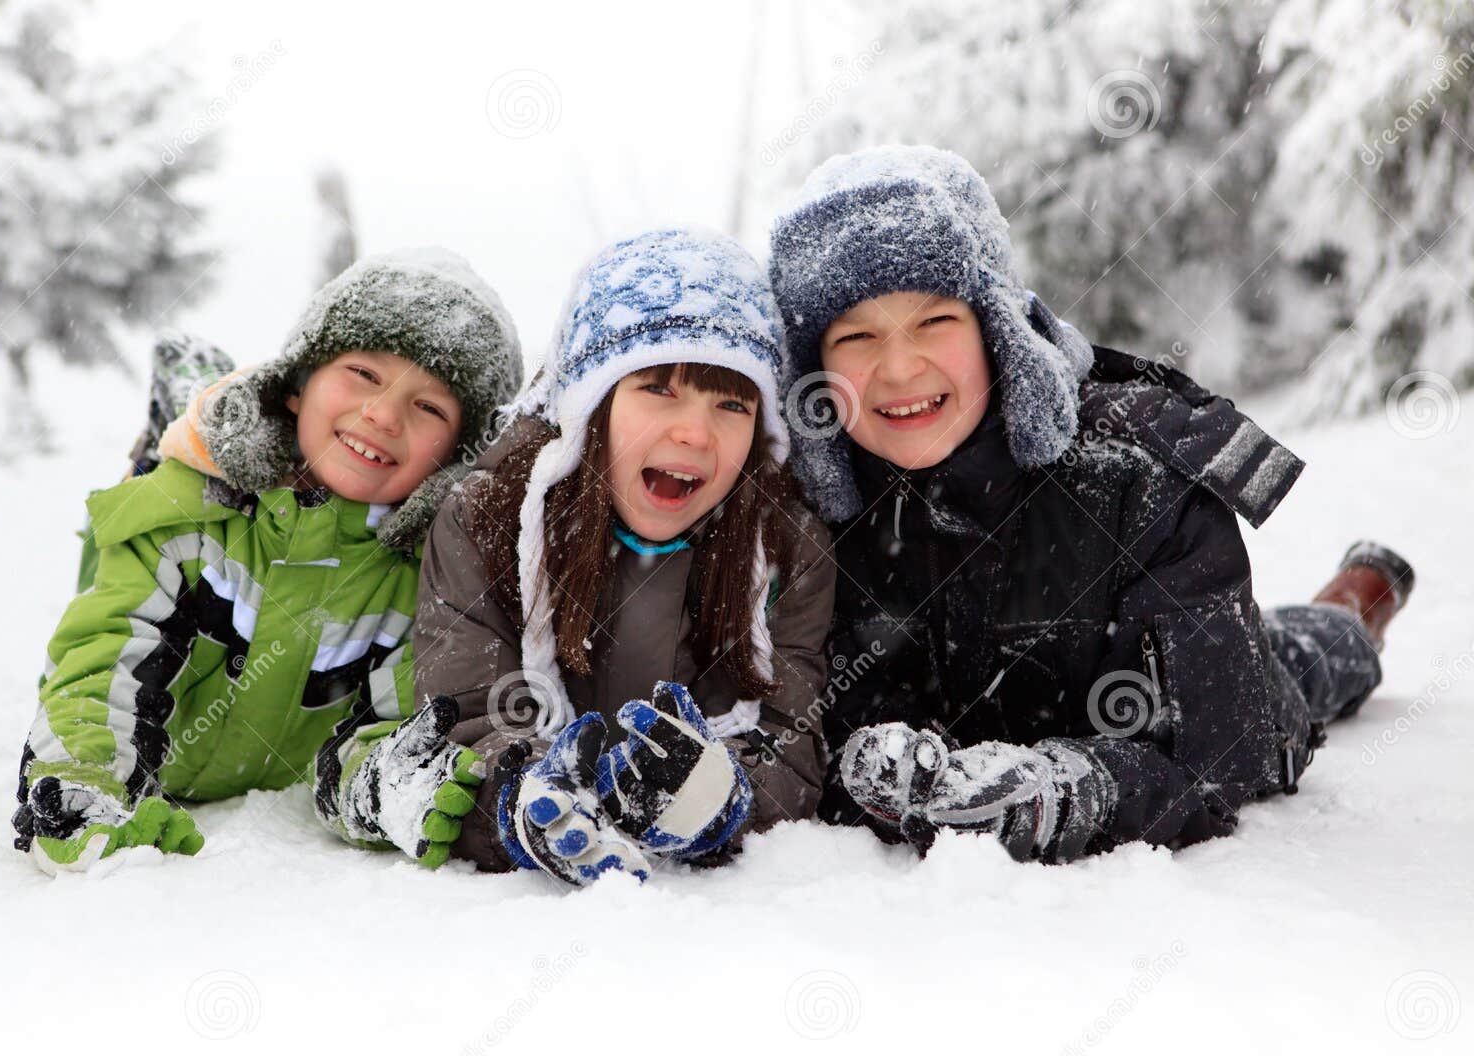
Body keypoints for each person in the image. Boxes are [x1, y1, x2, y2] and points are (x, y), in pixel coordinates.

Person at [766, 145, 1413, 864]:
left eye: (934, 322)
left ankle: (1356, 605)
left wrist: (1068, 789)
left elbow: (1221, 757)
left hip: (1236, 674)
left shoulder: (1137, 475)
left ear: (998, 328)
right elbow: (812, 711)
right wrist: (866, 762)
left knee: (1301, 659)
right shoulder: (813, 511)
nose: (897, 367)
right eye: (856, 336)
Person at [12, 250, 524, 874]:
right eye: (363, 372)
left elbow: (386, 730)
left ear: (456, 456)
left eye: (430, 408)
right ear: (295, 384)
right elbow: (99, 662)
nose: (384, 415)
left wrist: (384, 788)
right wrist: (82, 782)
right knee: (138, 503)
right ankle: (180, 408)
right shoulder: (183, 517)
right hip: (196, 515)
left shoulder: (422, 579)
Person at [412, 228, 836, 887]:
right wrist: (521, 795)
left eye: (731, 403)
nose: (694, 432)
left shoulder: (786, 547)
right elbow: (458, 722)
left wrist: (723, 796)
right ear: (593, 404)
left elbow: (792, 741)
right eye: (657, 389)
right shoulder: (484, 522)